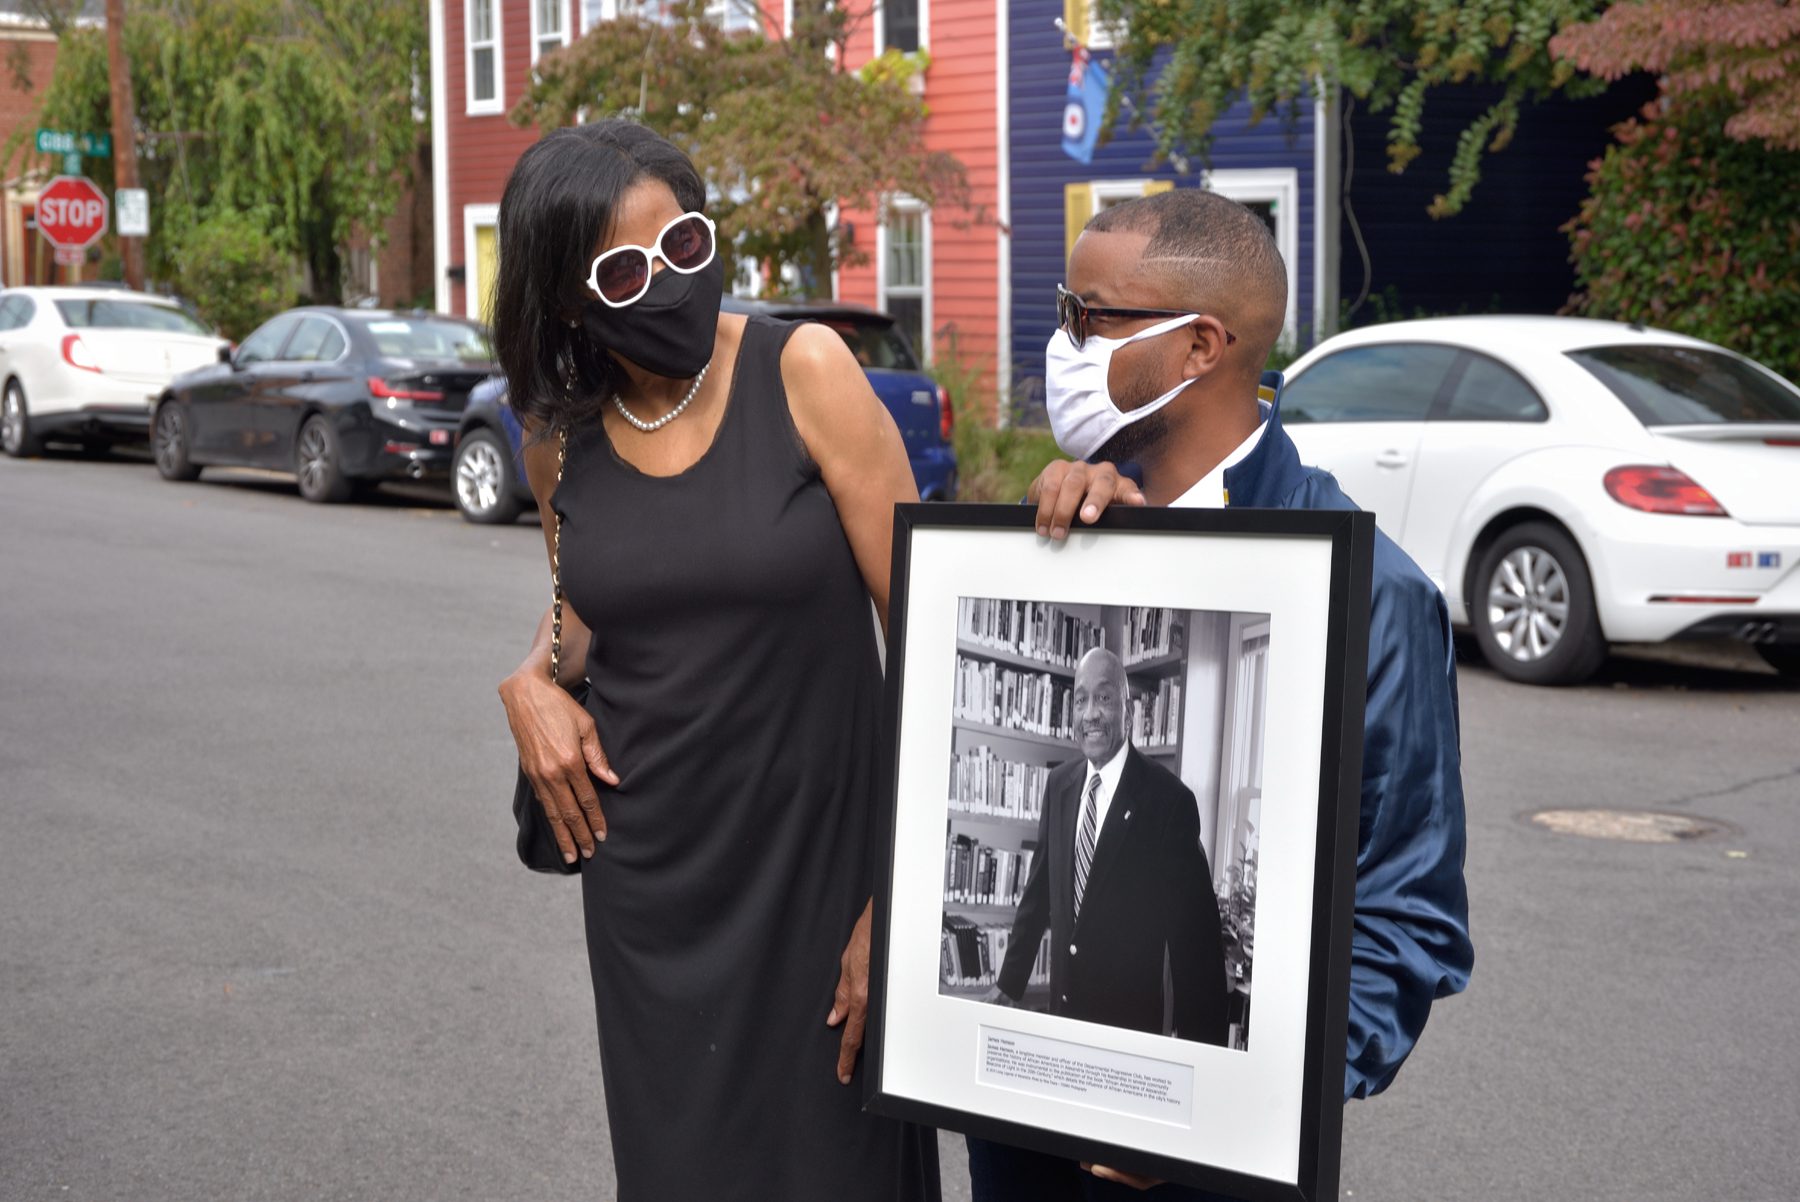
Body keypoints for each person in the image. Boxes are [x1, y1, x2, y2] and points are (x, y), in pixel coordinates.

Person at [969, 189, 1474, 1197]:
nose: (1059, 341)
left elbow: (1409, 922)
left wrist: (1216, 1108)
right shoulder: (1070, 527)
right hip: (1021, 1141)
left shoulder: (1368, 595)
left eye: (1088, 315)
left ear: (1199, 345)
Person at [492, 120, 939, 1202]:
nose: (672, 280)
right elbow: (594, 612)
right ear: (565, 298)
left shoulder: (807, 371)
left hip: (825, 875)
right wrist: (528, 684)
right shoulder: (556, 437)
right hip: (654, 897)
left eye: (687, 243)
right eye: (629, 268)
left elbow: (934, 636)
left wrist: (905, 898)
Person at [986, 647, 1227, 1045]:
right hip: (1062, 1022)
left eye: (1104, 697)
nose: (1090, 713)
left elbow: (1195, 945)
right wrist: (1009, 983)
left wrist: (1205, 1053)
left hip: (1126, 1038)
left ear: (1128, 713)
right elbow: (1038, 894)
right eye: (1081, 699)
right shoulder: (1059, 785)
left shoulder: (1169, 803)